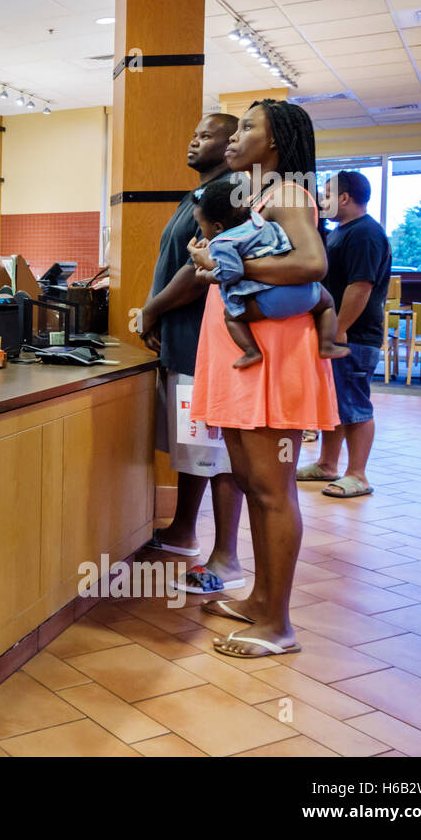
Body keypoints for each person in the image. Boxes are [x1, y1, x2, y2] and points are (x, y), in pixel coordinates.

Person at [187, 99, 339, 659]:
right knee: (254, 483)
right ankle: (260, 599)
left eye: (249, 127)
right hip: (249, 360)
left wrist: (228, 266)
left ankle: (278, 624)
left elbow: (311, 265)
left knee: (273, 492)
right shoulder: (261, 199)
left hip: (274, 362)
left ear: (275, 144)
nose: (234, 136)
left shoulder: (290, 195)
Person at [138, 113, 245, 594]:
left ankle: (226, 556)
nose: (193, 140)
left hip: (204, 343)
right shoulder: (197, 194)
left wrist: (151, 310)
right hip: (183, 342)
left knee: (215, 451)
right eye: (193, 131)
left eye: (206, 136)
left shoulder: (224, 196)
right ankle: (184, 530)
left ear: (228, 147)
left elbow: (196, 269)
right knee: (194, 446)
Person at [296, 170, 391, 498]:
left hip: (355, 337)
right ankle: (327, 464)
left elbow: (360, 287)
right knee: (335, 403)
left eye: (326, 195)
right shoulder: (341, 232)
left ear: (344, 198)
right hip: (336, 334)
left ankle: (358, 475)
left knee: (355, 404)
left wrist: (339, 329)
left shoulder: (365, 234)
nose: (322, 202)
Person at [189, 180, 350, 370]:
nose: (201, 232)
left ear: (217, 227)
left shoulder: (222, 243)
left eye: (201, 226)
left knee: (231, 316)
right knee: (328, 304)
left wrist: (206, 273)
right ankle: (326, 345)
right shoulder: (258, 221)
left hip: (272, 298)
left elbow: (231, 272)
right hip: (309, 292)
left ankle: (251, 351)